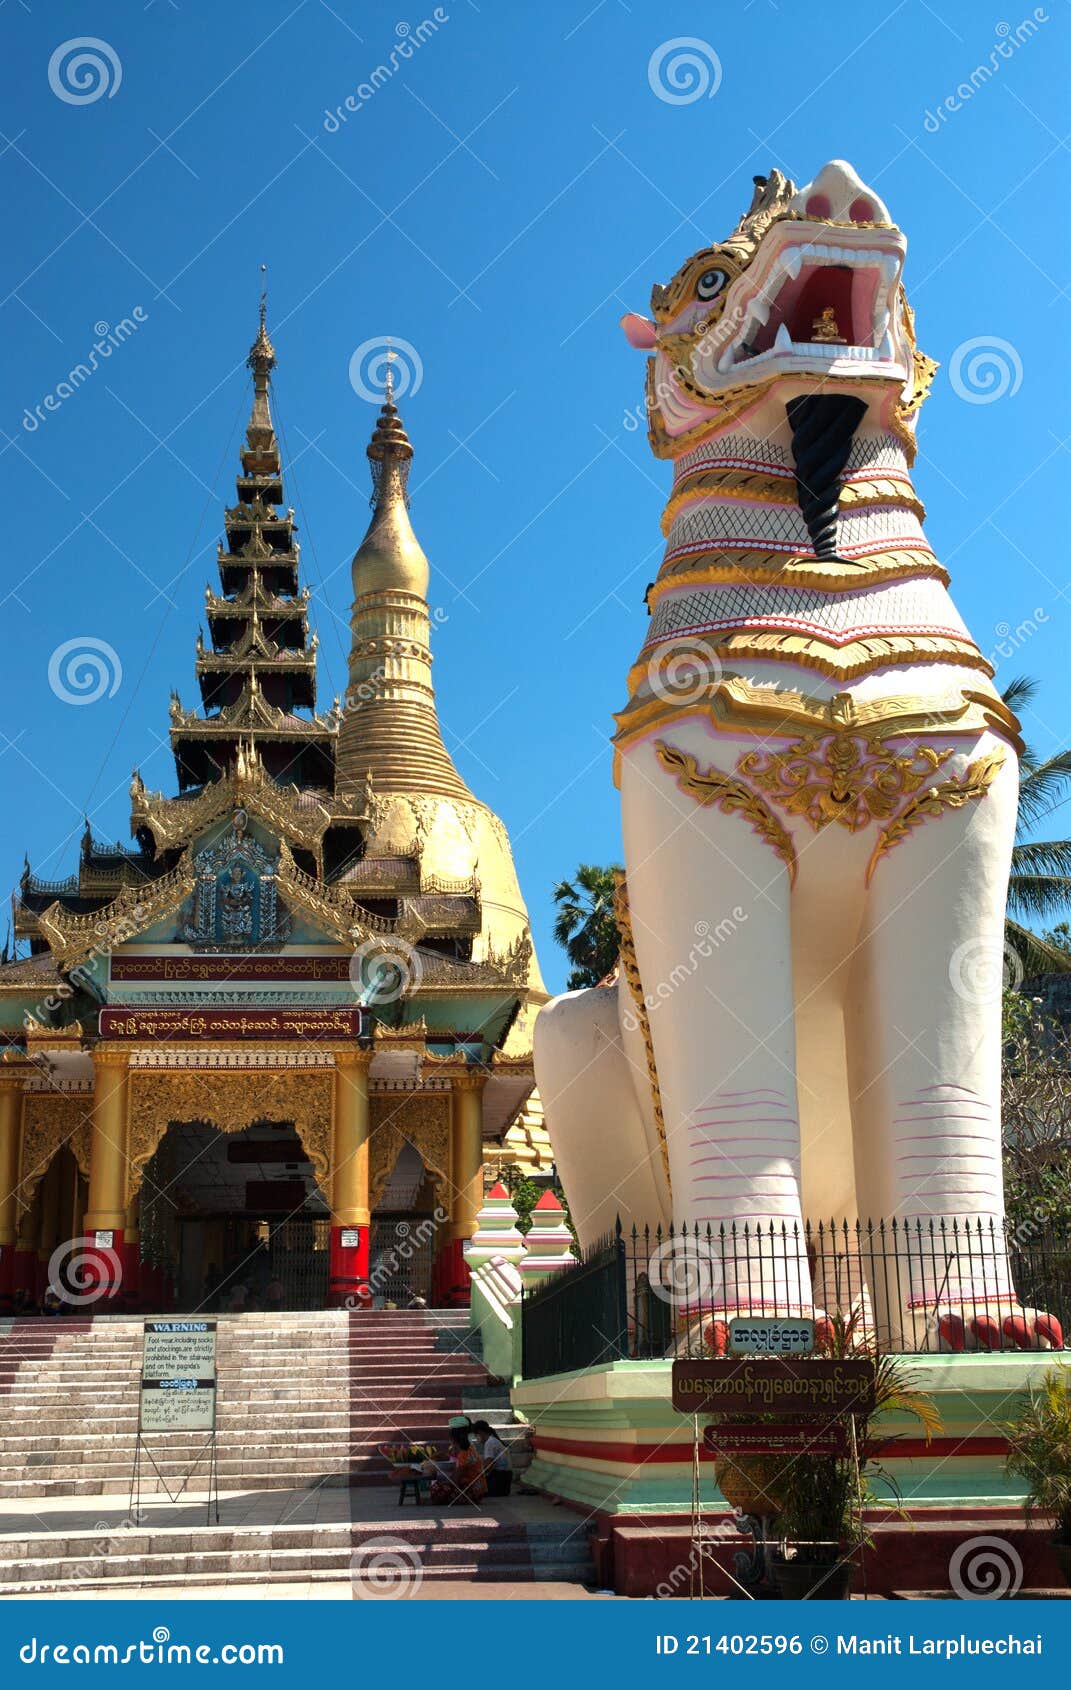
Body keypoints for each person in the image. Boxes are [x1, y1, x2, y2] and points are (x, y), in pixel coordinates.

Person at [428, 1427, 487, 1506]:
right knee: (438, 1486)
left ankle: (437, 1500)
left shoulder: (463, 1454)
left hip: (472, 1492)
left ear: (454, 1440)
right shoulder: (470, 1449)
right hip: (478, 1491)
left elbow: (455, 1479)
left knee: (436, 1487)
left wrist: (443, 1481)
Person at [472, 1419, 512, 1496]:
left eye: (476, 1435)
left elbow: (488, 1464)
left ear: (480, 1432)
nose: (476, 1438)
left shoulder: (490, 1443)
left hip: (500, 1479)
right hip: (505, 1479)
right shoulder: (493, 1440)